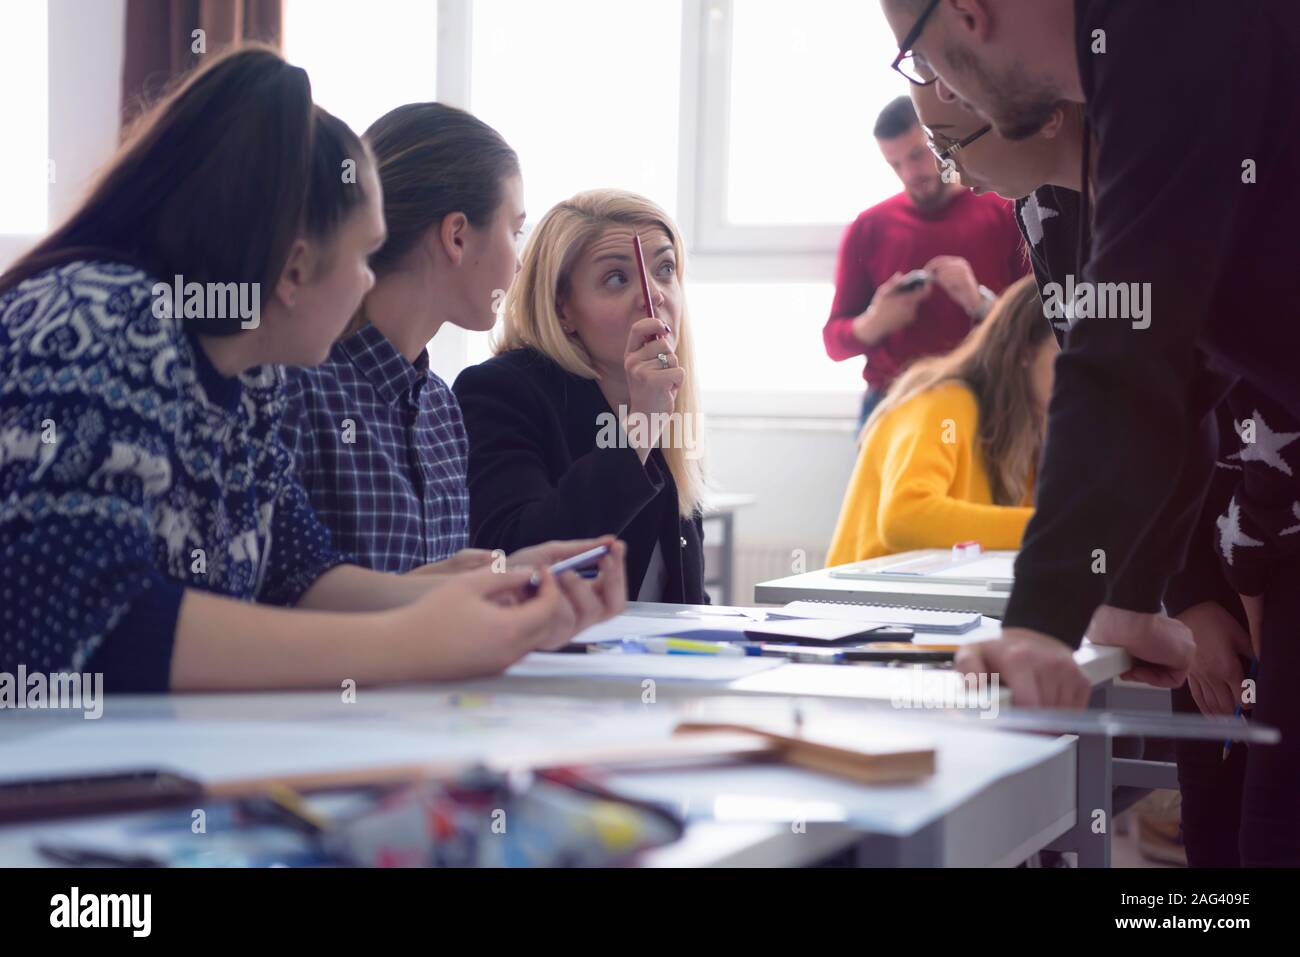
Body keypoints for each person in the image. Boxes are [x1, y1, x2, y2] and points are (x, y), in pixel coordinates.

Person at [0, 47, 625, 693]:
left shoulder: (247, 377)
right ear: (296, 268)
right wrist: (412, 641)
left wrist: (494, 588)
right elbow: (87, 618)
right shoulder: (102, 318)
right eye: (365, 254)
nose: (367, 281)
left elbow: (300, 576)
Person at [879, 0, 1300, 865]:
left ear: (965, 11)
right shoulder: (1130, 92)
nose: (938, 85)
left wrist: (1040, 618)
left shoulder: (1165, 25)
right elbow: (1179, 376)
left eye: (918, 57)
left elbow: (1127, 357)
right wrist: (1129, 588)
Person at [281, 102, 533, 574]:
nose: (519, 262)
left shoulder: (442, 409)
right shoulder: (297, 388)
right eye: (514, 231)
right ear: (456, 236)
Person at [454, 190, 708, 603]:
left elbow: (681, 597)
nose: (654, 295)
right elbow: (514, 553)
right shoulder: (499, 391)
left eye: (665, 269)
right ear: (562, 310)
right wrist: (637, 434)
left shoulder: (664, 400)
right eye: (616, 278)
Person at [822, 95, 1026, 427]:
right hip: (892, 405)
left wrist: (980, 303)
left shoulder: (1004, 211)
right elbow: (833, 342)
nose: (910, 173)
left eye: (917, 155)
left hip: (984, 397)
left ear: (938, 141)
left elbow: (1038, 327)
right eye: (895, 164)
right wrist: (875, 321)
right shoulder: (868, 227)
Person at [828, 275, 1054, 564]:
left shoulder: (1026, 430)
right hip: (866, 601)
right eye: (1065, 351)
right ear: (1025, 350)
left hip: (930, 598)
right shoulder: (943, 403)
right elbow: (906, 517)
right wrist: (1054, 528)